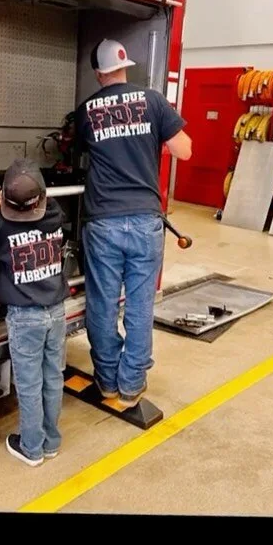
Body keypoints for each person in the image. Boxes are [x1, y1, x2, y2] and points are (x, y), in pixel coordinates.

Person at [74, 39, 192, 407]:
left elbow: (78, 153)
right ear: (127, 66)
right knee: (140, 306)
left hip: (103, 221)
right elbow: (184, 150)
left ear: (98, 73)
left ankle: (107, 381)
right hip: (144, 220)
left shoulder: (87, 110)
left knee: (102, 304)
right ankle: (131, 384)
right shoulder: (153, 101)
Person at [0, 158, 69, 466]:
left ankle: (31, 447)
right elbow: (49, 207)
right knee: (53, 377)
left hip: (24, 318)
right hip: (57, 311)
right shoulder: (57, 216)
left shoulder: (2, 230)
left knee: (30, 383)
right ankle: (51, 441)